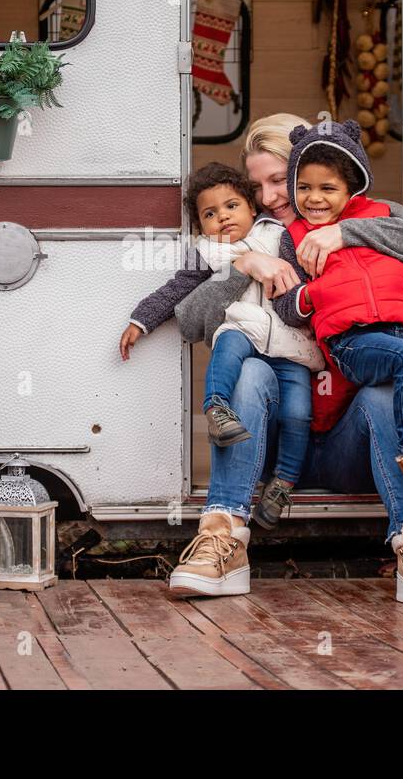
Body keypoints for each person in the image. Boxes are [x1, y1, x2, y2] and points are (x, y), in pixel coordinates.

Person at [167, 114, 403, 606]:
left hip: (350, 437)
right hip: (274, 439)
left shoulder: (356, 215)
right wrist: (244, 264)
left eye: (280, 180)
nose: (273, 196)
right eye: (257, 186)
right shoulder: (251, 237)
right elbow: (190, 320)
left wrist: (347, 235)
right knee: (252, 370)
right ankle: (225, 536)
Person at [270, 119, 403, 607]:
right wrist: (314, 294)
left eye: (328, 188)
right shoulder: (289, 238)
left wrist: (349, 234)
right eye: (303, 188)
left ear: (352, 186)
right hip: (353, 349)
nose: (313, 198)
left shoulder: (385, 215)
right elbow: (288, 301)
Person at [120, 162, 322, 541]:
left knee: (298, 413)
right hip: (244, 325)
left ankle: (283, 482)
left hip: (287, 341)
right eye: (209, 214)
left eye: (231, 206)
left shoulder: (279, 236)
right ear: (200, 225)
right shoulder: (208, 252)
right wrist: (141, 320)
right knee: (226, 345)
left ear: (252, 208)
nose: (222, 218)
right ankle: (217, 409)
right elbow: (175, 290)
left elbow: (301, 280)